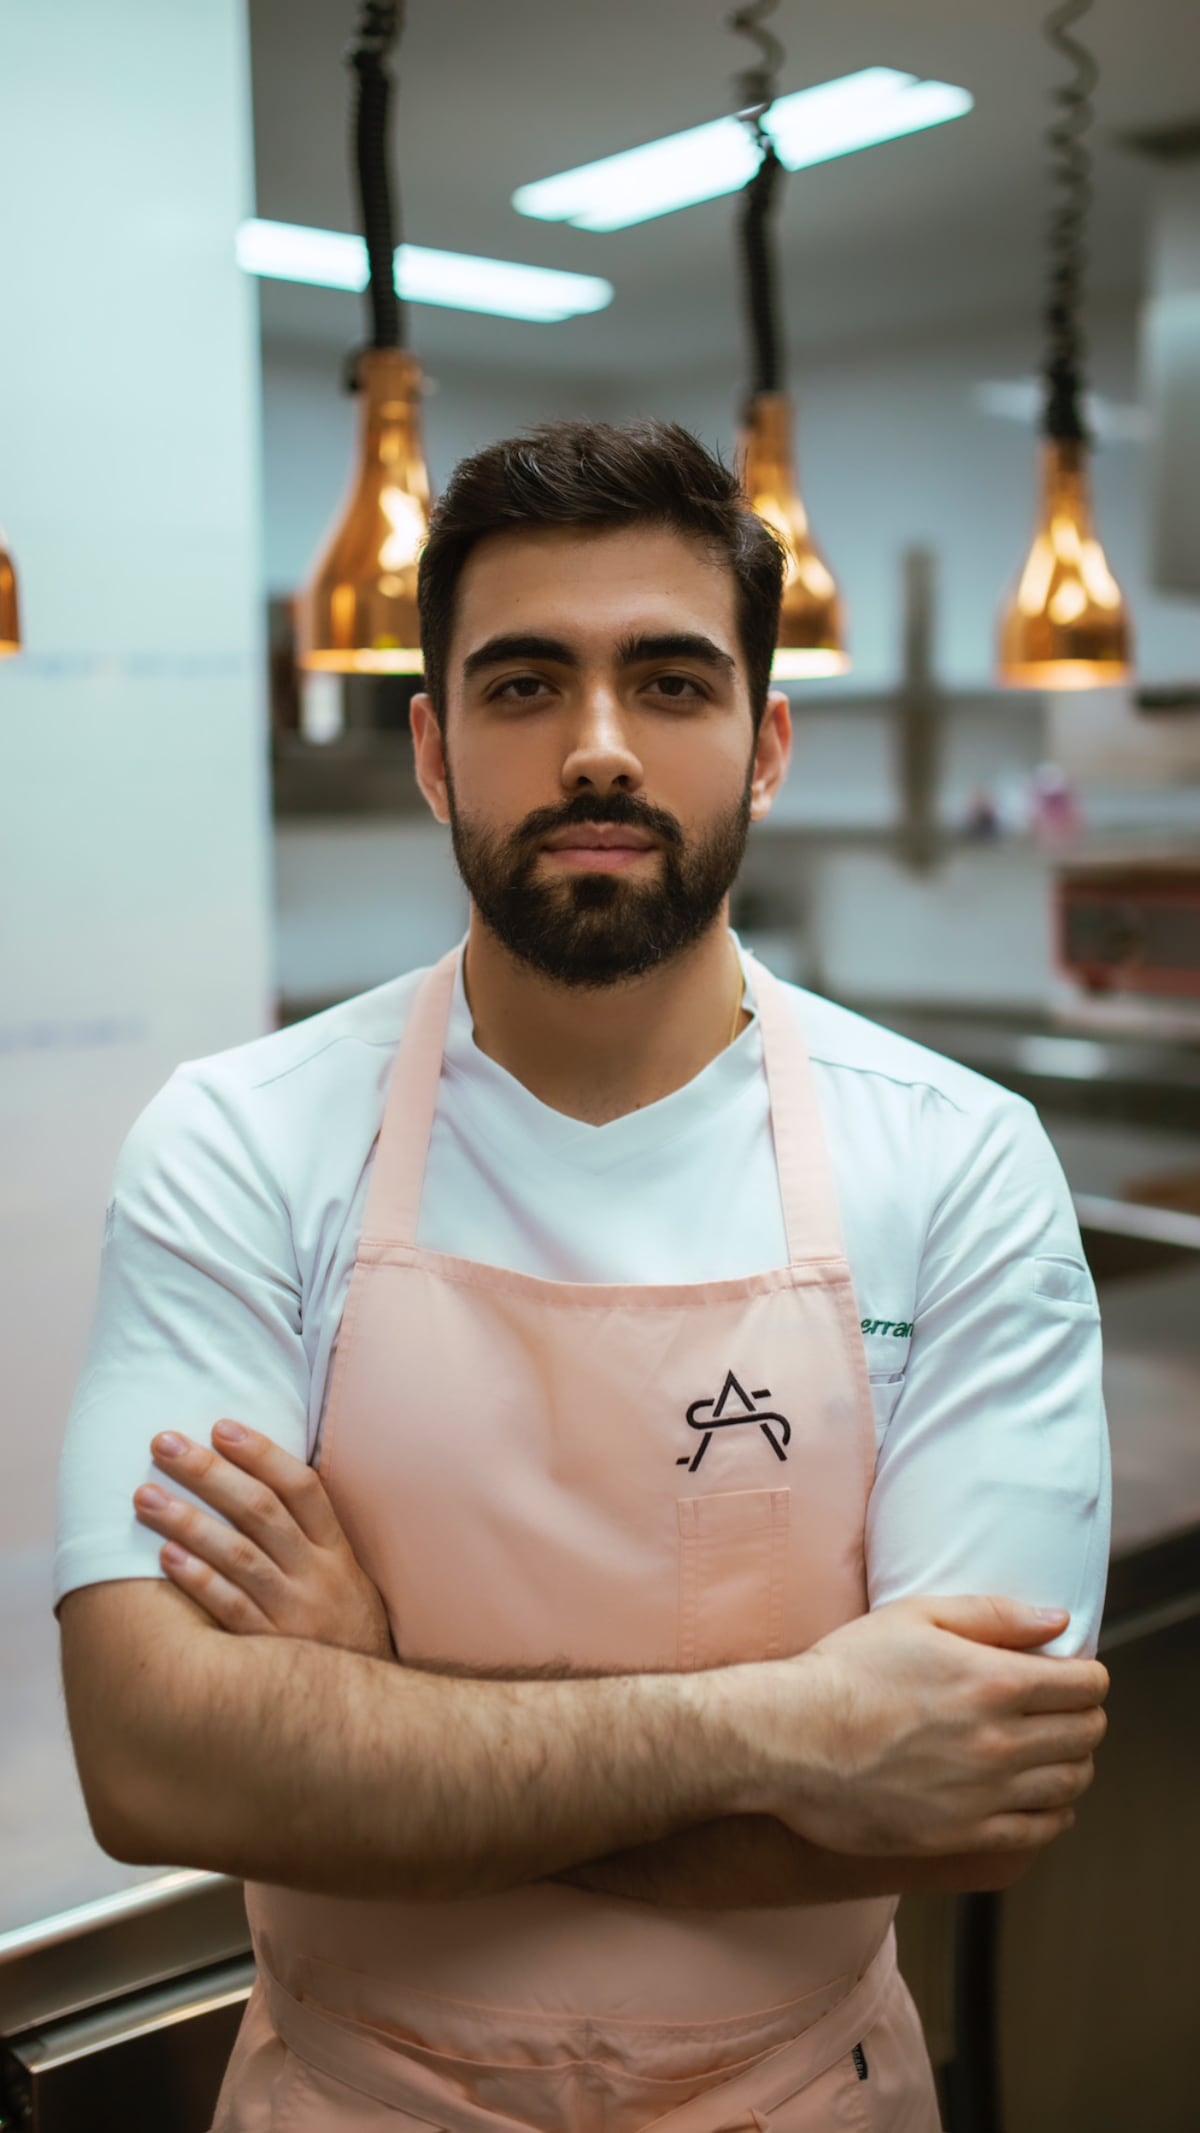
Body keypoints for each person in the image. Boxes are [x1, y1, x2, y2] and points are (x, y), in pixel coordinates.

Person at [56, 420, 1110, 2132]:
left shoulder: (957, 1160)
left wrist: (374, 1712)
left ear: (765, 744)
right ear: (433, 747)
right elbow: (158, 1757)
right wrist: (795, 1731)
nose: (599, 750)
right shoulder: (242, 1142)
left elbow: (959, 1800)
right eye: (526, 684)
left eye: (672, 685)